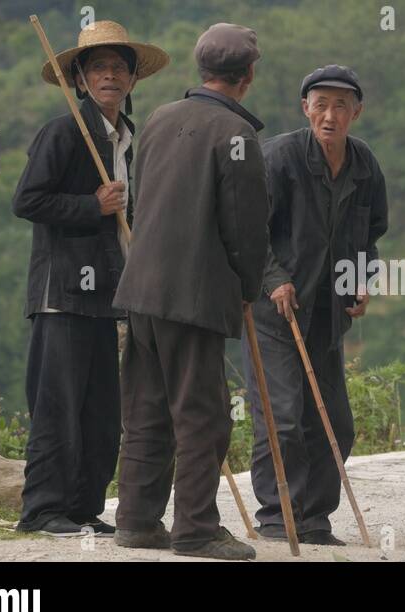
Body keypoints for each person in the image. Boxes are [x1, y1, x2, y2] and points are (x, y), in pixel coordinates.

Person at [111, 23, 269, 560]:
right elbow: (246, 229)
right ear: (247, 75)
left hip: (141, 288)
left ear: (202, 69)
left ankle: (135, 521)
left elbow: (138, 204)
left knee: (147, 409)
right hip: (195, 295)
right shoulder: (237, 136)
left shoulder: (157, 118)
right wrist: (248, 287)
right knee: (202, 415)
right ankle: (196, 531)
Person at [11, 21, 168, 536]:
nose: (110, 76)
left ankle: (81, 507)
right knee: (57, 405)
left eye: (119, 68)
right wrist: (91, 205)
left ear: (132, 81)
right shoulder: (64, 132)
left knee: (101, 408)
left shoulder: (125, 136)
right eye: (98, 67)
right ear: (79, 79)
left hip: (108, 292)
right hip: (63, 294)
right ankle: (41, 510)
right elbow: (28, 201)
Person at [243, 65, 389, 546]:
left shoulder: (364, 165)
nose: (330, 115)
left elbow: (370, 236)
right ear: (305, 108)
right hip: (274, 313)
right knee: (282, 419)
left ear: (356, 112)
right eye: (320, 104)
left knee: (336, 427)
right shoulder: (280, 158)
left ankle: (314, 520)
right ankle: (276, 516)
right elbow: (249, 229)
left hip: (328, 317)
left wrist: (363, 281)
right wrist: (274, 279)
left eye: (341, 105)